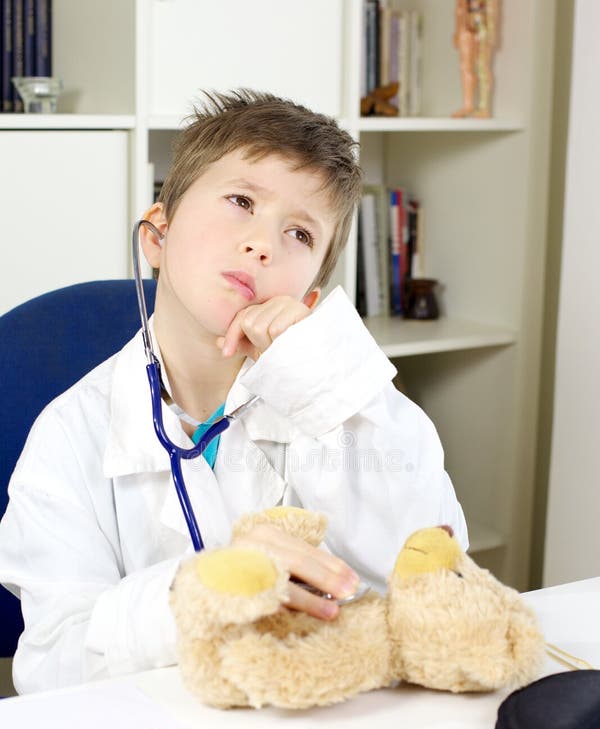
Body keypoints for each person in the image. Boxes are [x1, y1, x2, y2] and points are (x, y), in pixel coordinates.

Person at [0, 89, 467, 693]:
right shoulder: (69, 435)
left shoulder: (341, 404)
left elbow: (430, 584)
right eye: (241, 201)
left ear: (308, 301)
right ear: (157, 235)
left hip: (324, 722)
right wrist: (194, 593)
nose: (263, 242)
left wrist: (329, 386)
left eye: (300, 234)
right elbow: (52, 665)